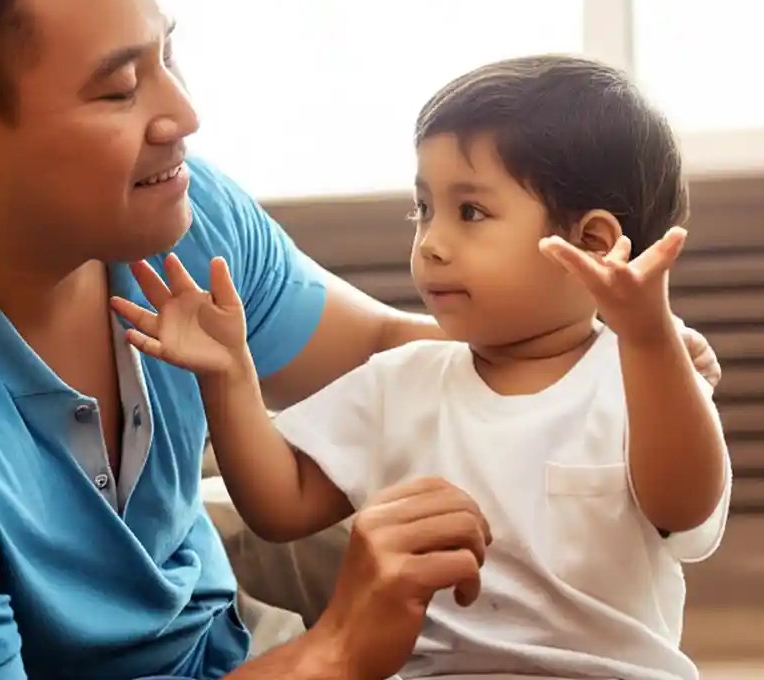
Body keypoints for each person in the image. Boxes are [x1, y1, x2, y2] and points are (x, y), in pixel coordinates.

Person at [0, 0, 720, 678]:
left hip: (236, 641)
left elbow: (375, 350)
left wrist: (610, 362)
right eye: (119, 87)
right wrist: (330, 656)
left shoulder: (168, 212)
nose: (182, 113)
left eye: (165, 56)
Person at [115, 55, 731, 680]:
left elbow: (683, 508)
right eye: (423, 209)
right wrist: (229, 376)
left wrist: (651, 344)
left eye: (470, 212)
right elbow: (282, 505)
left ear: (591, 244)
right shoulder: (403, 381)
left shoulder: (644, 379)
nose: (431, 242)